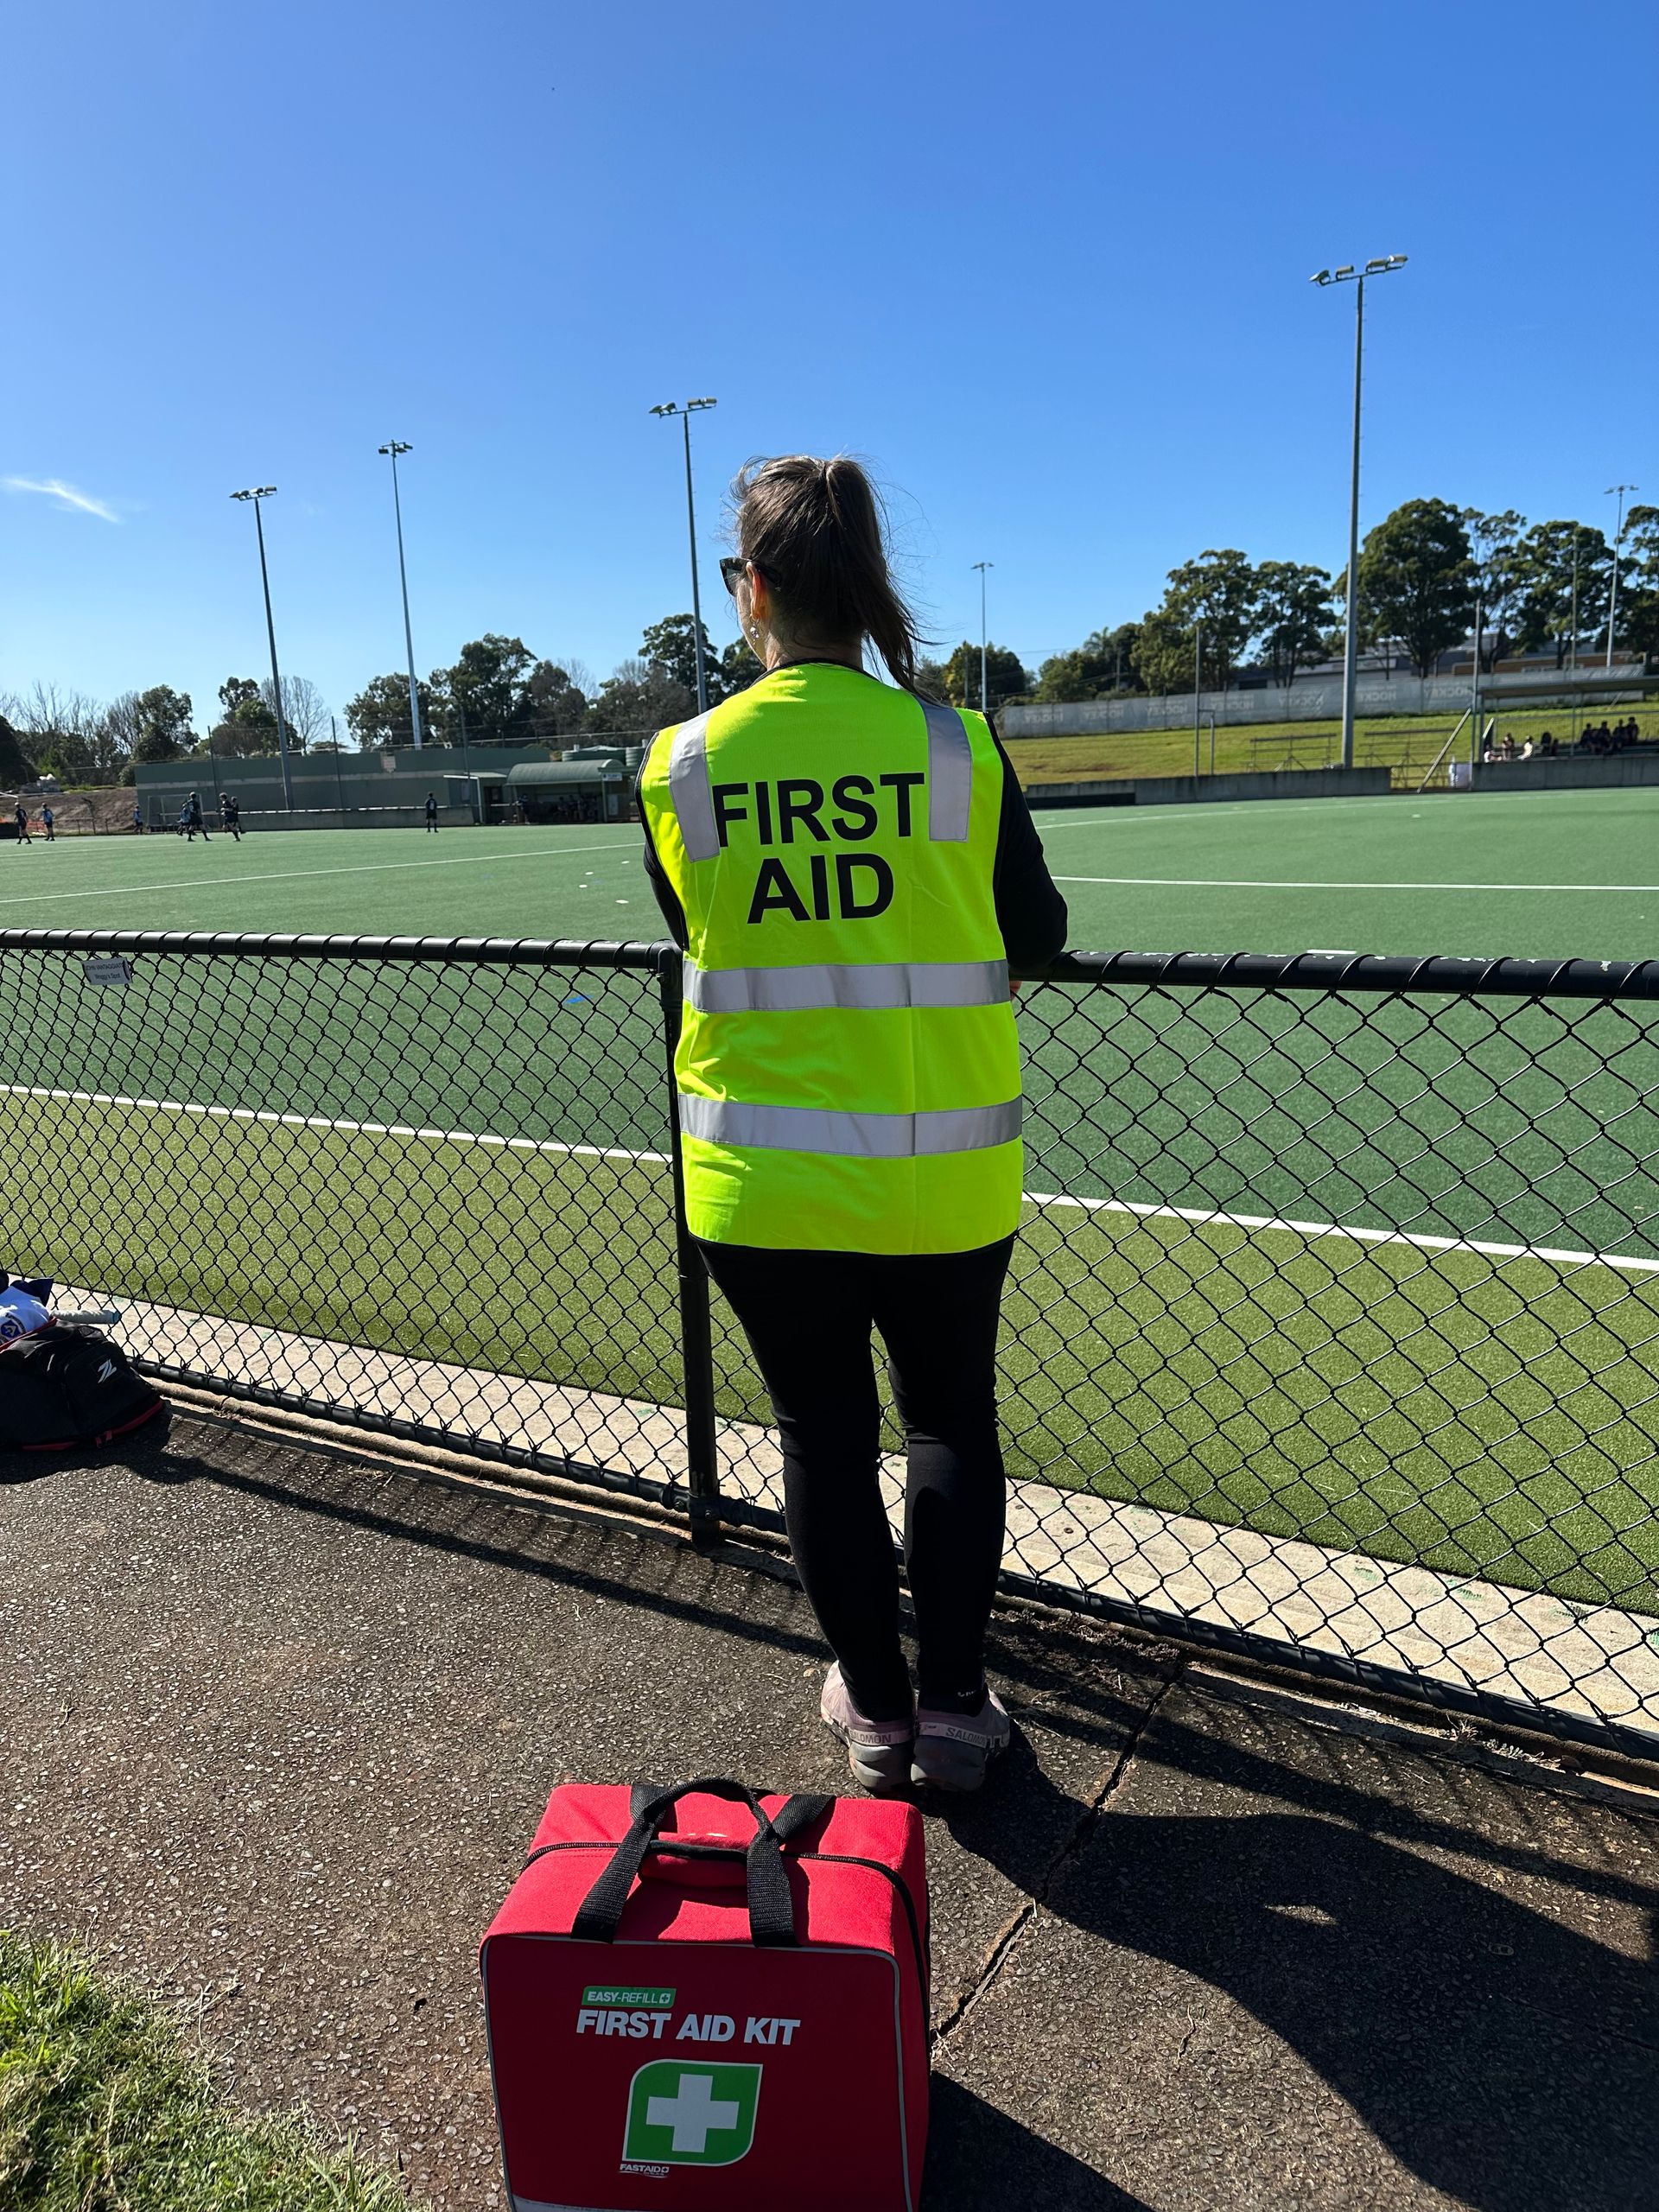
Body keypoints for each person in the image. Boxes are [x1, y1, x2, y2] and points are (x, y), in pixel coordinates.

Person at [639, 454, 1067, 1795]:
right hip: (941, 1166)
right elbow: (1038, 936)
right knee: (948, 1424)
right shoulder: (955, 744)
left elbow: (698, 936)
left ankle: (875, 1718)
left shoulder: (683, 762)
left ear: (751, 590)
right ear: (870, 587)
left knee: (821, 1439)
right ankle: (953, 1710)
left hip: (761, 1180)